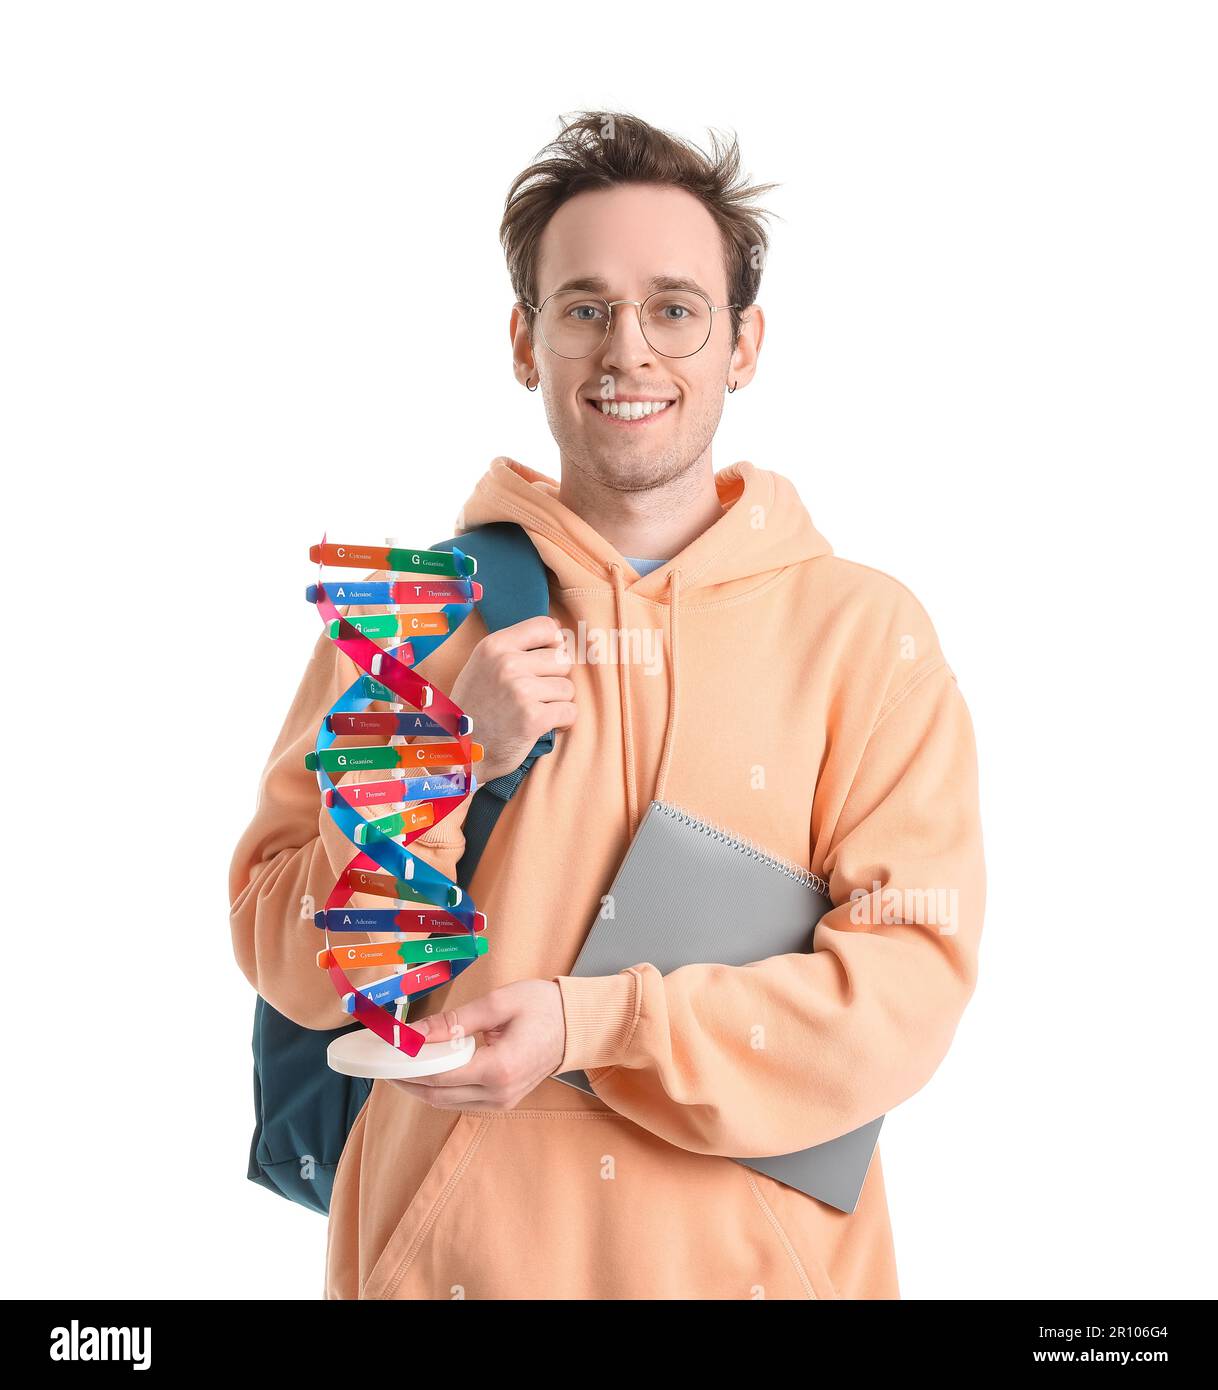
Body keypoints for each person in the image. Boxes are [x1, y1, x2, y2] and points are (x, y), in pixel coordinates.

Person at [229, 110, 985, 1300]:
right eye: (584, 308)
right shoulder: (406, 619)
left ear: (743, 344)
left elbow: (902, 997)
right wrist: (442, 760)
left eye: (675, 308)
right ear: (527, 342)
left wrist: (598, 1028)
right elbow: (298, 967)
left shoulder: (864, 637)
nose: (628, 350)